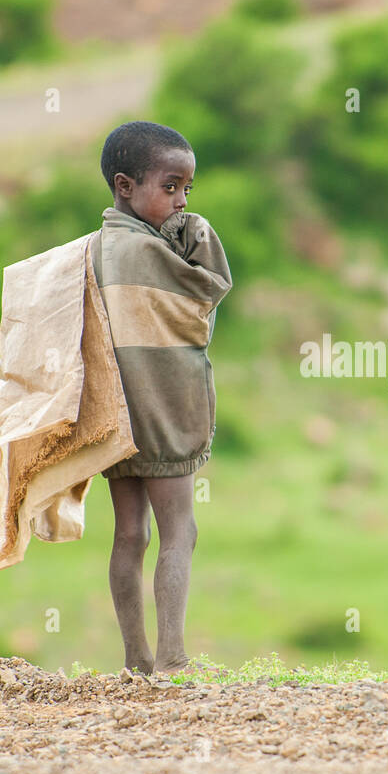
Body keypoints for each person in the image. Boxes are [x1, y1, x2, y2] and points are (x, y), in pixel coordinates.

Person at [91, 120, 232, 676]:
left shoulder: (96, 249)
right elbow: (204, 293)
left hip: (113, 414)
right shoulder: (147, 253)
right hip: (160, 410)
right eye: (170, 187)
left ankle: (136, 659)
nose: (180, 201)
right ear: (126, 186)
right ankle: (173, 657)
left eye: (188, 191)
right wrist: (199, 236)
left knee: (129, 533)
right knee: (180, 528)